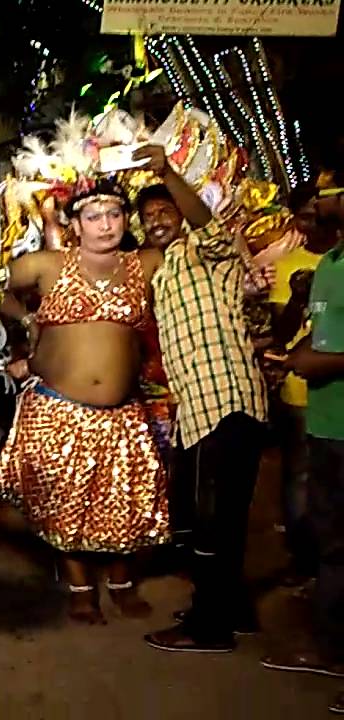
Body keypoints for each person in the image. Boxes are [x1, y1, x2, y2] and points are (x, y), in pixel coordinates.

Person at [0, 174, 168, 625]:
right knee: (64, 504)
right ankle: (81, 588)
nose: (105, 225)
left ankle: (122, 584)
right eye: (93, 216)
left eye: (114, 214)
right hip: (57, 409)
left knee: (126, 501)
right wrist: (28, 318)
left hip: (123, 414)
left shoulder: (144, 264)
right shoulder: (47, 265)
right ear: (75, 224)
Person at [140, 145, 270, 653]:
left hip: (229, 400)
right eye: (147, 216)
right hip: (195, 411)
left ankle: (208, 628)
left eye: (164, 212)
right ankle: (232, 610)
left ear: (180, 211)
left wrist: (165, 172)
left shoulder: (208, 252)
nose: (156, 221)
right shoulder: (163, 270)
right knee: (208, 519)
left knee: (214, 521)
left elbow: (206, 221)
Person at [260, 185, 344, 701]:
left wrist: (314, 364)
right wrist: (292, 358)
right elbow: (318, 334)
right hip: (326, 424)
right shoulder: (331, 263)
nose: (322, 199)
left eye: (333, 191)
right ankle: (332, 649)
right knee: (333, 543)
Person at [268, 185, 333, 586]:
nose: (311, 224)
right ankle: (303, 559)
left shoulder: (339, 261)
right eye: (303, 217)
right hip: (300, 392)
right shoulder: (290, 264)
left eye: (318, 214)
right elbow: (280, 331)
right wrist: (296, 300)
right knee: (300, 478)